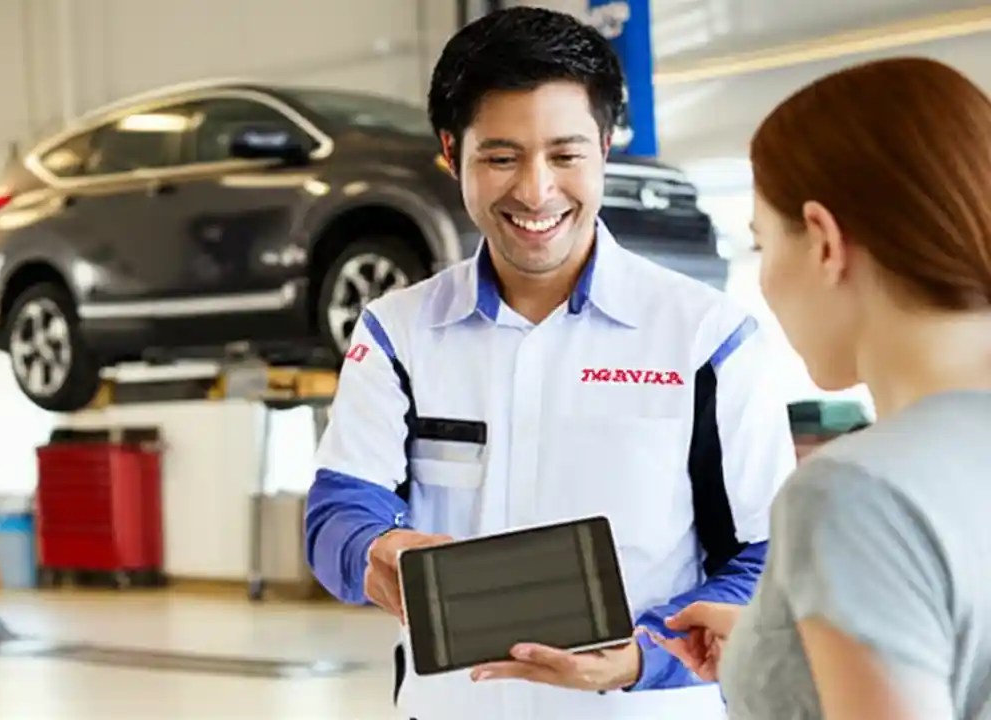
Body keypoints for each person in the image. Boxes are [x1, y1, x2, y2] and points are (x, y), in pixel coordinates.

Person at [303, 6, 796, 719]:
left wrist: (640, 654)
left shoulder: (706, 336)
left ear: (603, 147)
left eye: (565, 156)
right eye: (501, 157)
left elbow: (767, 557)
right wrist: (374, 549)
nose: (535, 191)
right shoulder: (396, 332)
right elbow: (338, 510)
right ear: (451, 151)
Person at [649, 57, 991, 720]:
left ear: (826, 241)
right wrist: (776, 653)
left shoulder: (856, 491)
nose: (765, 278)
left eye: (759, 244)